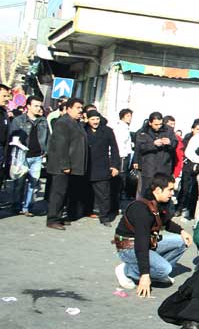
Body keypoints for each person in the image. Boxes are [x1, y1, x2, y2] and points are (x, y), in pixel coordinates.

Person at [113, 173, 192, 296]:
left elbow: (164, 222)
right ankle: (127, 270)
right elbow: (141, 244)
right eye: (170, 190)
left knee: (182, 241)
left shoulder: (155, 203)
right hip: (129, 248)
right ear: (158, 190)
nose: (172, 193)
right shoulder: (142, 210)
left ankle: (156, 272)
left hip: (147, 243)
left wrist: (182, 231)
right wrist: (144, 275)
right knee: (165, 269)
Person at [45, 98, 88, 230]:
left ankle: (60, 216)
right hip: (61, 166)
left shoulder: (76, 123)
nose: (80, 110)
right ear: (68, 108)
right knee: (58, 193)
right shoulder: (63, 123)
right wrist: (65, 165)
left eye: (81, 108)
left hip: (72, 165)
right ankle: (53, 219)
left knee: (65, 193)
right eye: (77, 108)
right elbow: (61, 146)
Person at [8, 96, 49, 216]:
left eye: (39, 106)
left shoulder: (43, 121)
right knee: (19, 182)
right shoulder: (19, 120)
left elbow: (47, 137)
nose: (38, 108)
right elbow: (13, 137)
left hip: (37, 156)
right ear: (28, 106)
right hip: (22, 155)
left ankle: (28, 207)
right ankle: (17, 206)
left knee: (33, 183)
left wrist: (46, 150)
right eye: (35, 106)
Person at [84, 110, 120, 226]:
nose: (95, 122)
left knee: (104, 194)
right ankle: (82, 212)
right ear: (88, 120)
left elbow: (114, 149)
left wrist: (115, 165)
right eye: (92, 119)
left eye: (97, 119)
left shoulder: (107, 131)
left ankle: (104, 217)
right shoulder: (83, 130)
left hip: (102, 166)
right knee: (83, 192)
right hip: (85, 165)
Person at [135, 111, 177, 195]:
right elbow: (140, 148)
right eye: (156, 125)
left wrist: (170, 142)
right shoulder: (143, 131)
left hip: (164, 166)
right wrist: (153, 144)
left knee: (164, 191)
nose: (159, 127)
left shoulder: (169, 130)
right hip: (149, 168)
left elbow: (175, 143)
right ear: (150, 123)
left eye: (160, 124)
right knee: (147, 192)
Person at [176, 119, 199, 219]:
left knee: (194, 190)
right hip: (188, 166)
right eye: (197, 129)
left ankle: (190, 210)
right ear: (192, 129)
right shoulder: (188, 138)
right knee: (185, 188)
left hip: (198, 167)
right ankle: (180, 207)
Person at [112, 108, 133, 205]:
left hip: (125, 154)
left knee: (122, 176)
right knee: (121, 177)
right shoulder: (121, 127)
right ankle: (117, 198)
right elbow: (120, 142)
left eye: (130, 116)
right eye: (128, 116)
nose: (130, 118)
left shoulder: (125, 127)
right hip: (122, 156)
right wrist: (122, 155)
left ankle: (118, 197)